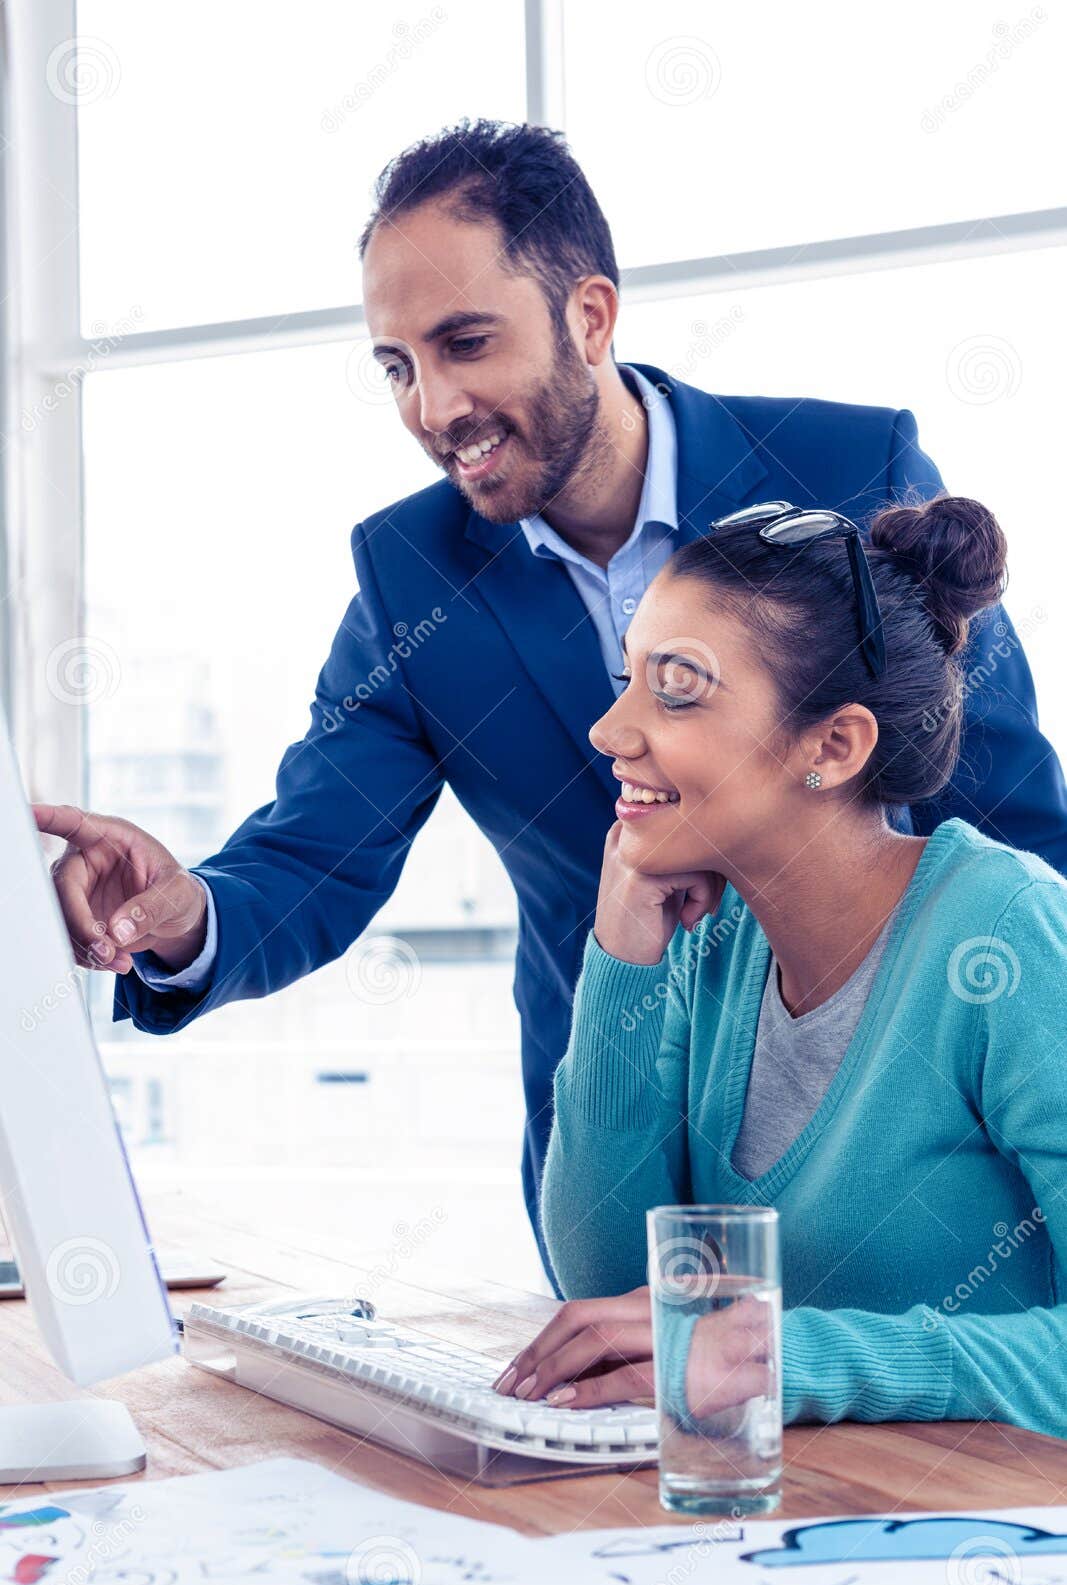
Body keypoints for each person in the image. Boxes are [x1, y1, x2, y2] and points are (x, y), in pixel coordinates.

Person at [33, 120, 1067, 1292]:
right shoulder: (411, 573)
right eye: (397, 366)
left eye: (465, 341)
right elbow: (319, 851)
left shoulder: (843, 470)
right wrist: (182, 918)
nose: (433, 406)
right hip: (618, 1130)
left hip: (907, 1137)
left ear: (588, 316)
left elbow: (1007, 808)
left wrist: (995, 1046)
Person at [491, 494, 1067, 1440]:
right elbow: (615, 1303)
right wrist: (620, 957)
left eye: (674, 689)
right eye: (626, 677)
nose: (608, 730)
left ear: (831, 747)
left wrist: (785, 1358)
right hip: (801, 1534)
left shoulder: (1005, 939)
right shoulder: (715, 942)